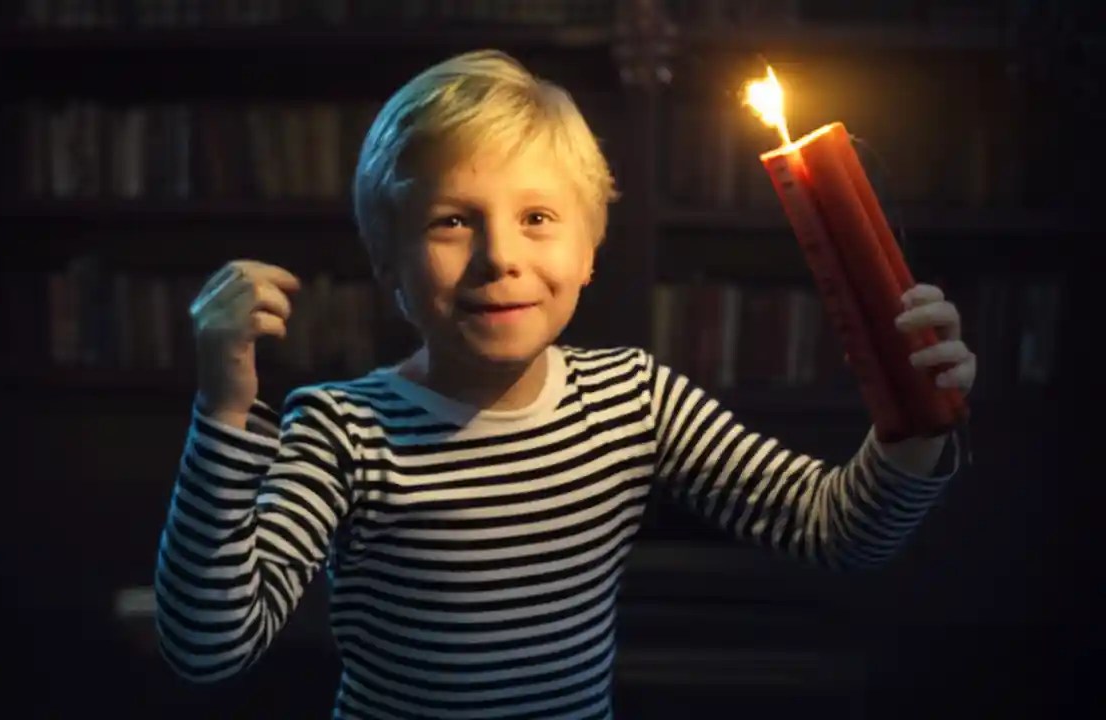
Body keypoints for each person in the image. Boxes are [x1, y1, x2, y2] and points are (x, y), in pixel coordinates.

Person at [153, 49, 976, 719]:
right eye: (451, 220)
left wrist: (916, 423)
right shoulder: (343, 432)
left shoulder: (633, 401)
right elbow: (207, 647)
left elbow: (836, 533)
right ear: (387, 266)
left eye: (538, 218)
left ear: (589, 252)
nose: (500, 256)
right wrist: (223, 413)